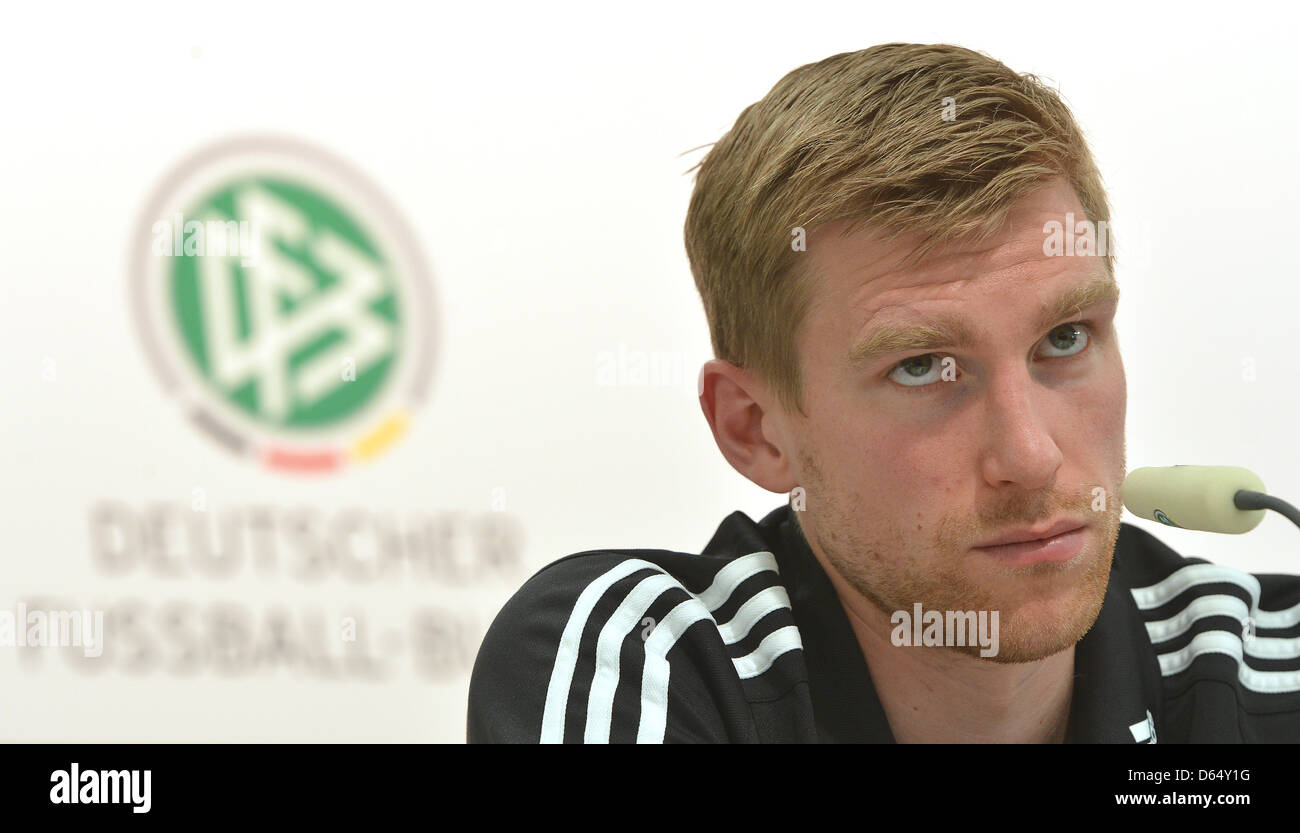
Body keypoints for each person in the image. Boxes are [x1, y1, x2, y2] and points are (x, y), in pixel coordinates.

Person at [467, 42, 1300, 743]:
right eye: (923, 367)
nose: (1032, 456)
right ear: (755, 429)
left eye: (1064, 339)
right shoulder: (646, 654)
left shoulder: (1265, 669)